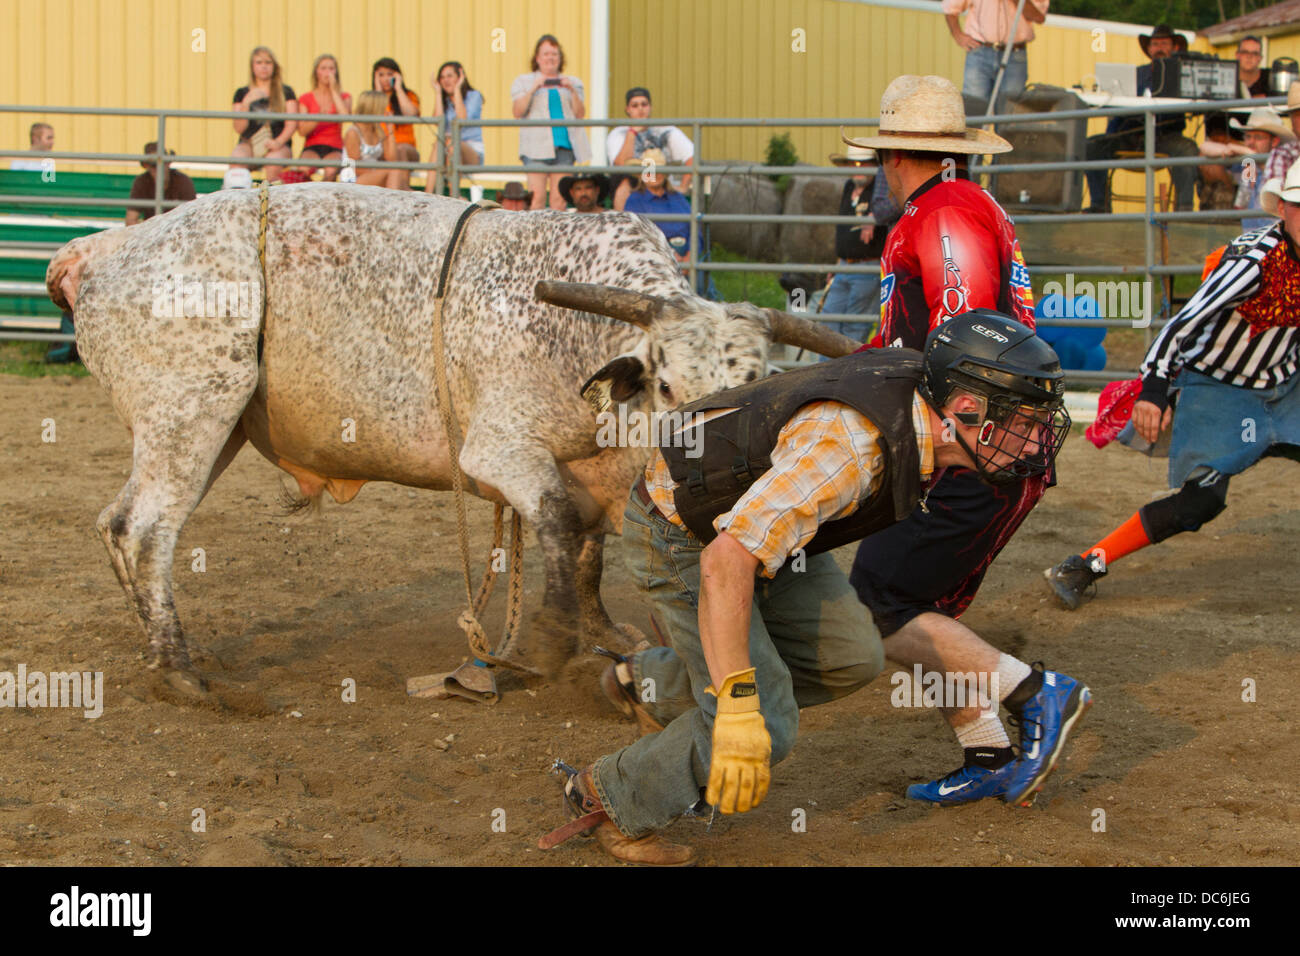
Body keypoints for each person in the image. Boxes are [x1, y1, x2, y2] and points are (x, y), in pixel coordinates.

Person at [543, 311, 1087, 865]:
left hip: (752, 529)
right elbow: (724, 561)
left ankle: (648, 682)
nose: (1037, 435)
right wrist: (735, 705)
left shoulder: (925, 407)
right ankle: (607, 796)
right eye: (1023, 418)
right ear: (966, 411)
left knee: (849, 657)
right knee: (763, 723)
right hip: (683, 535)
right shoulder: (849, 449)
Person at [1045, 160, 1300, 611]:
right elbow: (1183, 322)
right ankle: (1084, 564)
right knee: (1197, 504)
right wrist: (1155, 387)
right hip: (1221, 391)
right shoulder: (1254, 262)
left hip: (1285, 383)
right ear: (1283, 208)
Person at [1084, 24, 1198, 214]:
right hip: (1130, 135)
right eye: (1154, 44)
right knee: (1092, 146)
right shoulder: (1137, 74)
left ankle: (1184, 210)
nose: (1159, 48)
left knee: (1188, 149)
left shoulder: (1182, 75)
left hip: (1164, 137)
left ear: (1174, 47)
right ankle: (1099, 205)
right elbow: (1115, 106)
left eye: (1164, 43)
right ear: (1149, 49)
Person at [510, 34, 590, 210]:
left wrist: (571, 90)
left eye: (554, 54)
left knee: (559, 200)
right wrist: (534, 88)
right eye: (546, 54)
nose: (550, 58)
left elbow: (580, 114)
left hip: (564, 147)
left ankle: (555, 238)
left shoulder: (574, 82)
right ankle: (535, 237)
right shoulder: (523, 81)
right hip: (535, 148)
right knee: (536, 198)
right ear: (537, 58)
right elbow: (517, 112)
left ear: (560, 58)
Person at [821, 144, 884, 343]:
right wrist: (837, 261)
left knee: (855, 325)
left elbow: (890, 209)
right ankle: (826, 370)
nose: (858, 169)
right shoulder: (849, 187)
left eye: (864, 164)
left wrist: (874, 217)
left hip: (868, 266)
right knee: (828, 319)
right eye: (853, 164)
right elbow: (843, 229)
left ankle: (845, 372)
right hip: (844, 265)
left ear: (875, 166)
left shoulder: (880, 192)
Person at [942, 0, 1049, 113]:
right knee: (973, 110)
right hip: (980, 54)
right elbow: (950, 7)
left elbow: (1039, 17)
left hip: (1014, 56)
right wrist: (958, 35)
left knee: (1009, 114)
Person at [606, 86, 695, 211]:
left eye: (644, 104)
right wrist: (632, 132)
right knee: (623, 181)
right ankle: (624, 225)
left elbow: (692, 156)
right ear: (627, 110)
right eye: (635, 105)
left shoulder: (667, 130)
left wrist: (683, 186)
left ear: (650, 107)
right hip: (635, 182)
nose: (640, 109)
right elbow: (620, 165)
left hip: (661, 180)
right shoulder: (619, 133)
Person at [231, 46, 297, 184]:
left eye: (268, 63)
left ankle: (269, 203)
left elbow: (292, 123)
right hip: (248, 142)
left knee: (273, 164)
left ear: (274, 66)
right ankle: (241, 202)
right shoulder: (242, 93)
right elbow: (238, 128)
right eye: (259, 63)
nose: (264, 67)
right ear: (252, 66)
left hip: (277, 143)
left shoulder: (285, 92)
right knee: (236, 163)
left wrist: (277, 142)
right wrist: (246, 103)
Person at [425, 61, 485, 196]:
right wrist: (438, 94)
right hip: (447, 151)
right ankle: (427, 194)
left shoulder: (474, 95)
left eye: (450, 76)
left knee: (450, 142)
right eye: (442, 77)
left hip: (472, 152)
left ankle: (454, 194)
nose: (446, 80)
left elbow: (462, 118)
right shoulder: (444, 101)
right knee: (439, 143)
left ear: (460, 77)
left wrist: (457, 89)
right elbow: (437, 121)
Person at [1230, 108, 1293, 231]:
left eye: (1258, 137)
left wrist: (1246, 152)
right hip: (1251, 240)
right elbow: (1205, 148)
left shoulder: (1284, 165)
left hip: (1275, 241)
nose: (1251, 142)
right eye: (1248, 137)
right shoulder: (1249, 165)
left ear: (1274, 141)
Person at [296, 54, 352, 182]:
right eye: (324, 68)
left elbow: (345, 116)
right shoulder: (306, 98)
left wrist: (333, 89)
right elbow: (302, 131)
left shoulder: (344, 97)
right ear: (316, 72)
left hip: (334, 146)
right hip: (312, 145)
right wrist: (318, 116)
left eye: (331, 69)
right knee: (303, 169)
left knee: (331, 171)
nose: (328, 72)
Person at [372, 57, 420, 188]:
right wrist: (378, 92)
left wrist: (398, 88)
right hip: (382, 150)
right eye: (381, 75)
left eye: (389, 74)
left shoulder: (408, 95)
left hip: (406, 148)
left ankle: (402, 190)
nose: (385, 79)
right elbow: (372, 115)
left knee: (400, 150)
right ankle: (404, 189)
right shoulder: (373, 97)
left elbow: (411, 113)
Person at [341, 91, 403, 189]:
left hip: (373, 174)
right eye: (384, 107)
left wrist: (390, 129)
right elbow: (354, 167)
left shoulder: (378, 130)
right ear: (375, 109)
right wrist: (379, 171)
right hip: (353, 179)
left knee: (396, 169)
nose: (387, 111)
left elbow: (392, 159)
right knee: (394, 170)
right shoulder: (353, 132)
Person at [125, 142, 196, 225]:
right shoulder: (142, 182)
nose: (158, 169)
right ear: (146, 166)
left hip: (178, 231)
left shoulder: (183, 181)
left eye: (162, 163)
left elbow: (193, 217)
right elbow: (131, 219)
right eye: (153, 165)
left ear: (169, 163)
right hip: (151, 232)